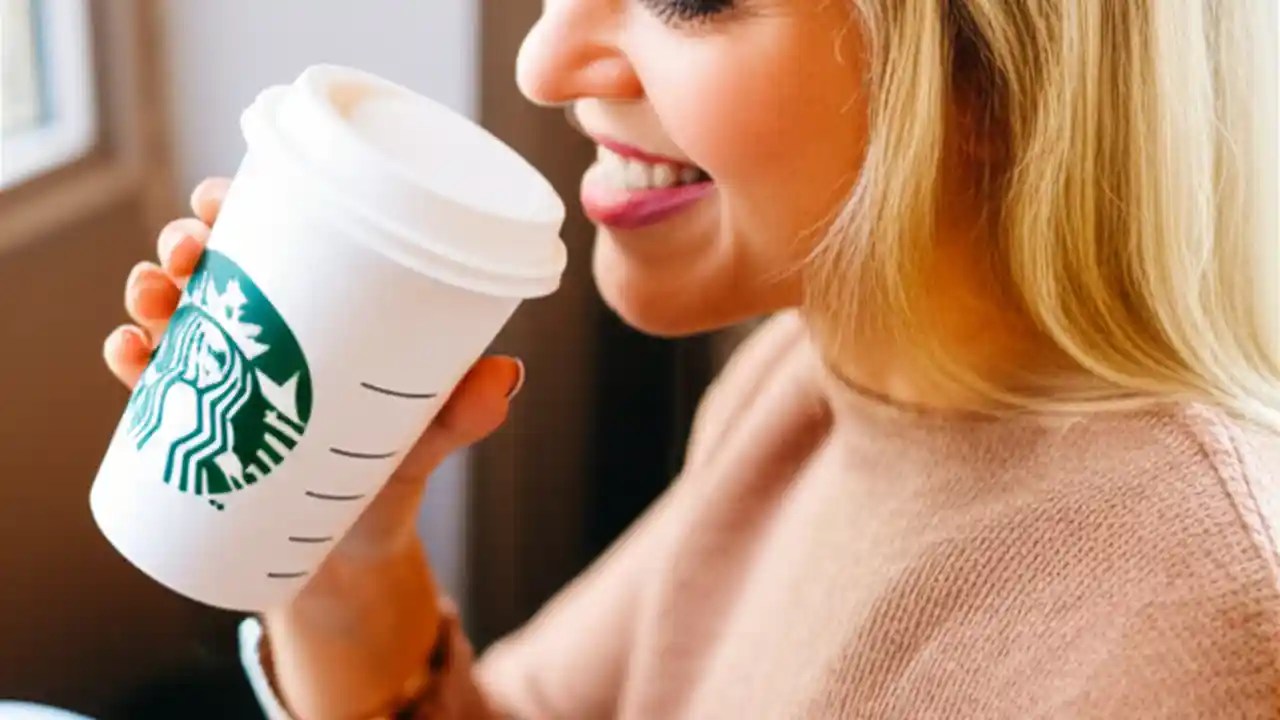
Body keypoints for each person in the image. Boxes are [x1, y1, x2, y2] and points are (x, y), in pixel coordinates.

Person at [103, 1, 1280, 718]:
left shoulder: (1190, 633)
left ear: (994, 71)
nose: (543, 62)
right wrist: (339, 539)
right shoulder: (802, 380)